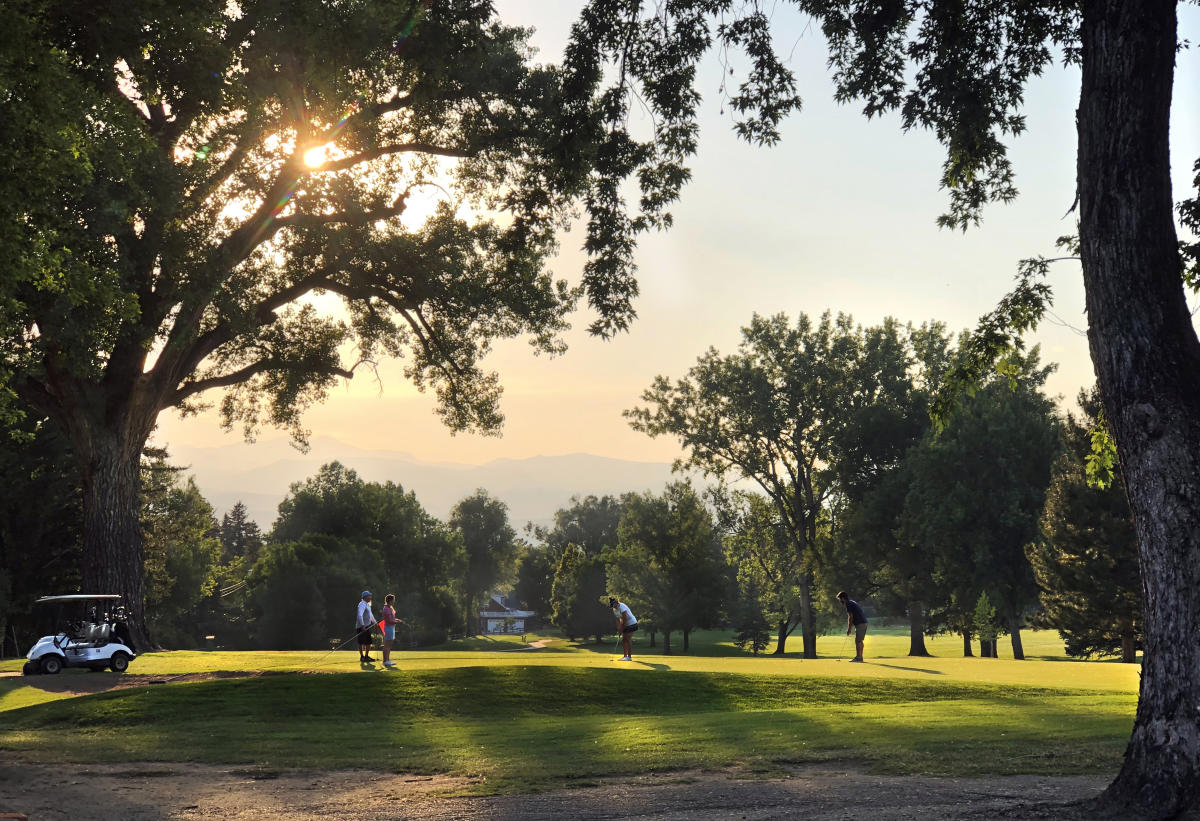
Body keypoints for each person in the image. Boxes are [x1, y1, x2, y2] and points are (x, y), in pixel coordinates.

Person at [837, 591, 868, 662]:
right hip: (862, 623)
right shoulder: (851, 602)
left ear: (843, 598)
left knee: (858, 641)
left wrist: (849, 629)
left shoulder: (848, 604)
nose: (840, 601)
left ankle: (859, 658)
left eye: (840, 599)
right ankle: (860, 657)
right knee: (859, 641)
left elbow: (850, 617)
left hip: (861, 623)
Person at [609, 596, 638, 662]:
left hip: (632, 624)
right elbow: (618, 620)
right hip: (626, 624)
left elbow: (625, 618)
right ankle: (625, 656)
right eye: (612, 606)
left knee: (627, 639)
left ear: (616, 603)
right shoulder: (614, 610)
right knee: (624, 640)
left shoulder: (622, 606)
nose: (613, 607)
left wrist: (622, 628)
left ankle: (629, 657)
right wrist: (619, 629)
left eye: (613, 605)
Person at [381, 594, 405, 668]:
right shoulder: (386, 609)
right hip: (389, 628)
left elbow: (393, 618)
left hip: (391, 627)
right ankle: (386, 661)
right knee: (387, 645)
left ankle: (387, 660)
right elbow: (390, 621)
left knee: (389, 645)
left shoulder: (389, 608)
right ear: (390, 600)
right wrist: (399, 622)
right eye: (393, 600)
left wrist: (398, 620)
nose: (394, 601)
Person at [356, 591, 376, 663]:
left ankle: (366, 656)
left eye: (370, 596)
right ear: (365, 597)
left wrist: (375, 623)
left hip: (367, 626)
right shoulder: (362, 604)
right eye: (369, 596)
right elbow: (360, 615)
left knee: (368, 642)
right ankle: (362, 656)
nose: (370, 597)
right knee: (361, 642)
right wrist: (362, 625)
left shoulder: (367, 605)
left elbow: (371, 615)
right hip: (361, 626)